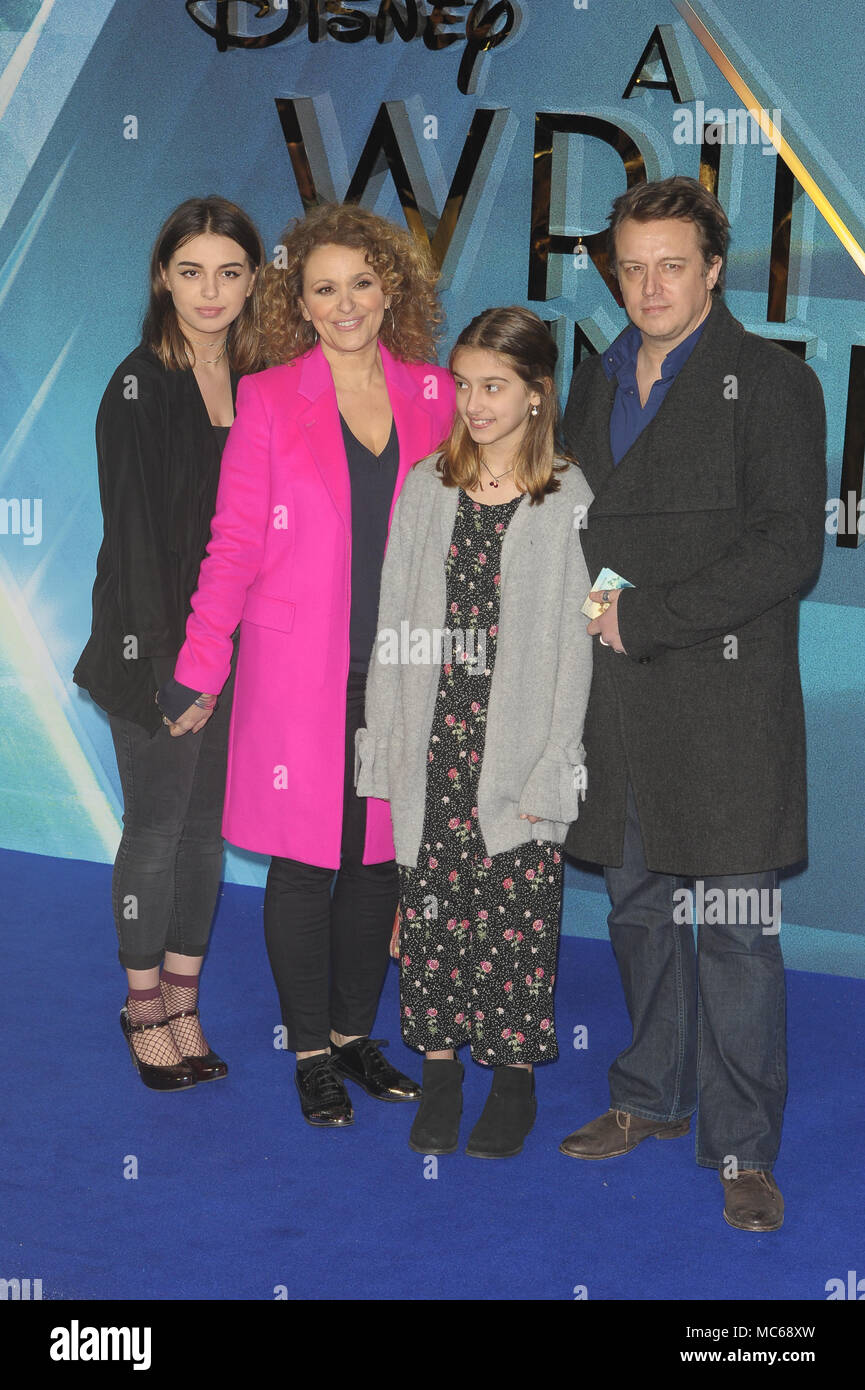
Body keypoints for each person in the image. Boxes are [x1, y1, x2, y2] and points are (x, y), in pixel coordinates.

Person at [559, 176, 826, 1230]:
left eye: (672, 263)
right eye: (631, 266)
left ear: (714, 268)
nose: (649, 284)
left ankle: (742, 1146)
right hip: (615, 704)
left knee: (733, 931)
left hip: (721, 704)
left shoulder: (768, 384)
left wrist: (647, 615)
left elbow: (787, 547)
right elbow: (575, 520)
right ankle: (648, 1098)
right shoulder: (598, 377)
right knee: (635, 910)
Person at [158, 203, 455, 1127]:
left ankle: (357, 1035)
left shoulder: (438, 395)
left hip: (404, 671)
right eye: (323, 288)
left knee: (375, 865)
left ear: (391, 287)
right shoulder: (269, 396)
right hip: (300, 673)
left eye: (361, 283)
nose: (345, 304)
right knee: (302, 864)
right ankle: (312, 1053)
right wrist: (200, 664)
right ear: (300, 300)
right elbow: (235, 542)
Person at [356, 306, 593, 1158]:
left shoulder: (567, 495)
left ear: (537, 394)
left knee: (514, 920)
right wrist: (382, 739)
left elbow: (575, 649)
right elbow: (393, 623)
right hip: (434, 739)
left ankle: (513, 1079)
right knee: (431, 917)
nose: (474, 404)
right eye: (463, 385)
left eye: (493, 386)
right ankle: (442, 1069)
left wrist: (553, 766)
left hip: (519, 744)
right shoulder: (428, 485)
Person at [74, 195, 266, 1090]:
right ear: (163, 277)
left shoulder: (258, 379)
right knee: (155, 832)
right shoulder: (137, 383)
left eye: (229, 272)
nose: (210, 291)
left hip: (231, 649)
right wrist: (167, 672)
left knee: (202, 835)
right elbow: (139, 542)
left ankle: (185, 1002)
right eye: (191, 272)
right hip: (150, 653)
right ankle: (141, 1005)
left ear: (254, 279)